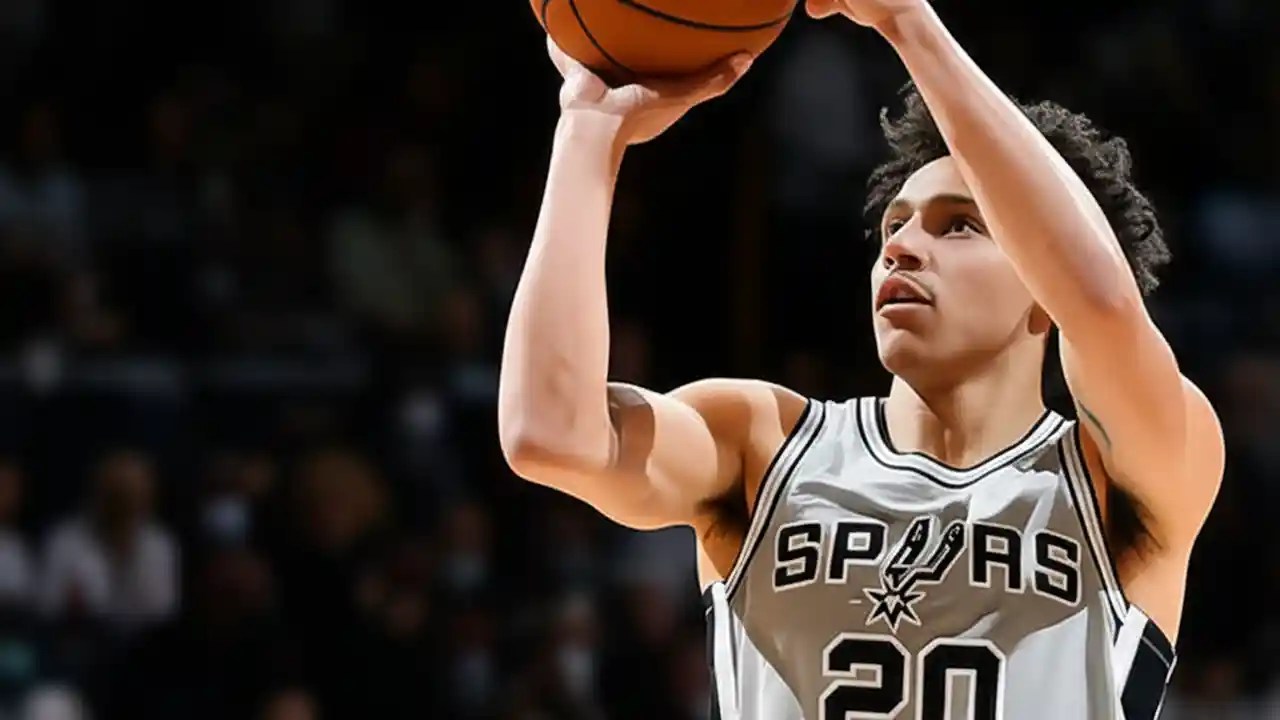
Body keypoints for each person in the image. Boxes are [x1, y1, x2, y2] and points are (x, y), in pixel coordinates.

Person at [498, 0, 1225, 717]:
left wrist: (909, 22)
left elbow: (1103, 306)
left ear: (1042, 284)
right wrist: (589, 132)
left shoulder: (1120, 472)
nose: (901, 247)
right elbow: (550, 436)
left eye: (959, 226)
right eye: (894, 227)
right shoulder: (763, 444)